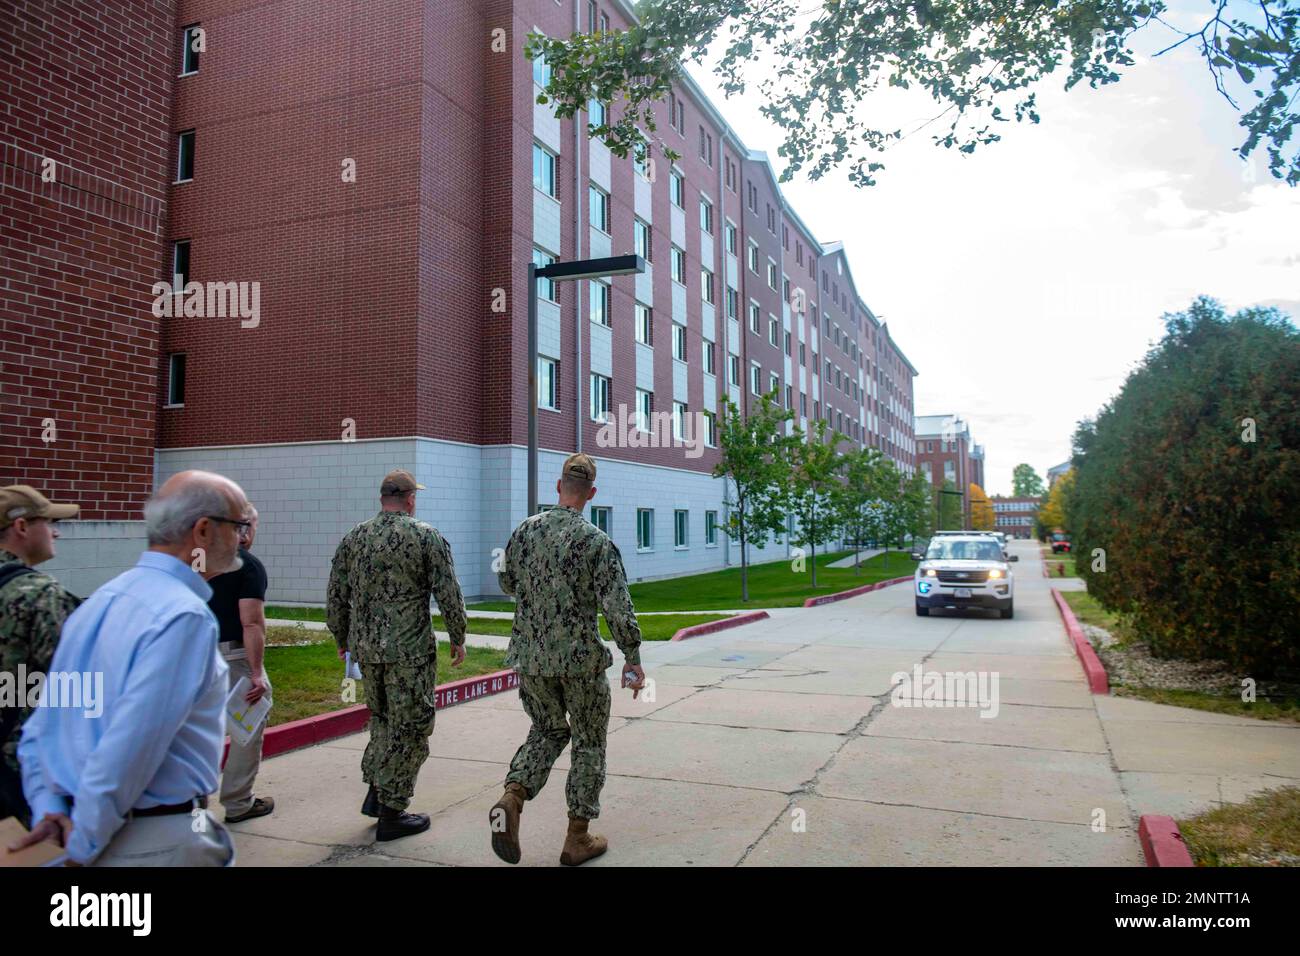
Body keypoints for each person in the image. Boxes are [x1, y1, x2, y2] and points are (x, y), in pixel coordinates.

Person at [10, 470, 250, 866]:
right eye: (238, 525)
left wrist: (49, 807)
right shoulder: (182, 617)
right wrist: (83, 846)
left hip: (95, 825)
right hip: (149, 839)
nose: (242, 538)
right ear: (203, 531)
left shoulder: (103, 600)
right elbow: (132, 745)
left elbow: (42, 725)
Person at [489, 453, 644, 867]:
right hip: (580, 663)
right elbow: (617, 608)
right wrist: (632, 656)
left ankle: (513, 795)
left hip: (533, 658)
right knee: (589, 744)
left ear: (558, 488)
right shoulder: (596, 542)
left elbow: (505, 581)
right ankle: (577, 837)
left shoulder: (524, 532)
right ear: (591, 493)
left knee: (546, 730)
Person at [327, 469, 467, 841]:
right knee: (413, 725)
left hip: (368, 650)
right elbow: (447, 590)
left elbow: (336, 595)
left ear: (382, 499)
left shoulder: (354, 538)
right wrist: (458, 635)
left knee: (383, 719)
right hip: (410, 650)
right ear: (409, 499)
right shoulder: (425, 537)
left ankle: (377, 791)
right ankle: (393, 810)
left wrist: (341, 636)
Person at [0, 486, 81, 827]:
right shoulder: (42, 594)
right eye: (48, 522)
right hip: (20, 771)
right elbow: (73, 694)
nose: (56, 531)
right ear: (21, 527)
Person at [207, 505, 273, 823]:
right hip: (233, 656)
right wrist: (256, 672)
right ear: (245, 529)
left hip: (197, 654)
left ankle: (190, 800)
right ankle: (238, 801)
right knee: (249, 724)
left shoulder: (197, 560)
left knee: (201, 729)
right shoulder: (248, 566)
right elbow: (251, 624)